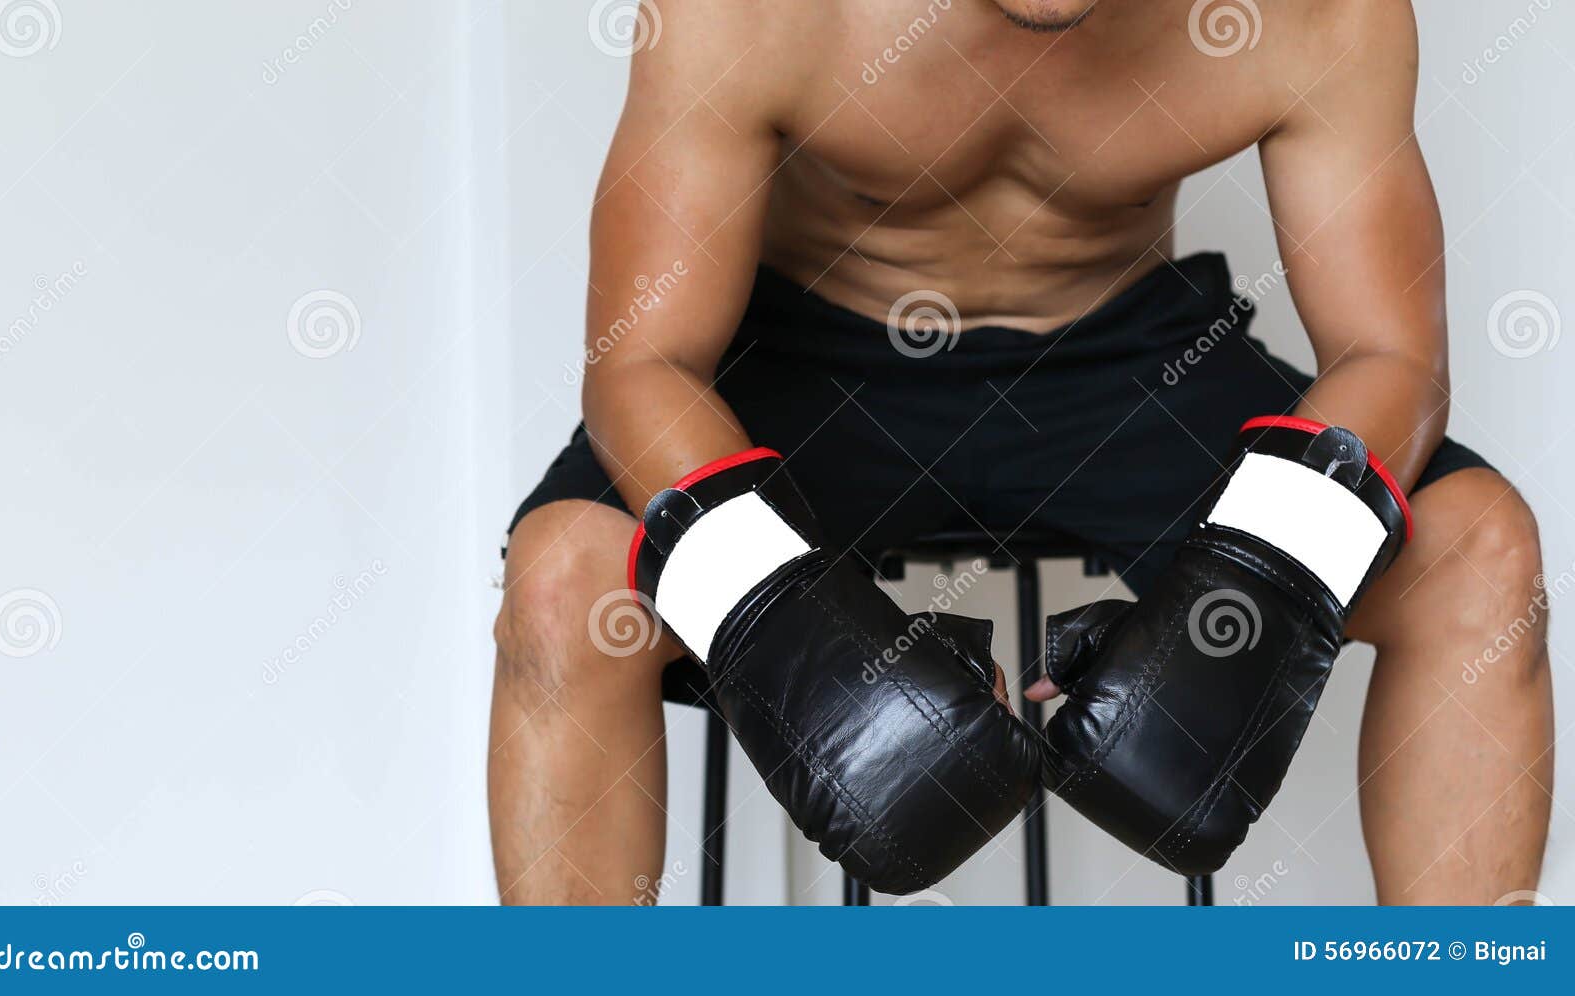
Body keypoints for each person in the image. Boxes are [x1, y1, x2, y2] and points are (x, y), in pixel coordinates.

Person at [489, 0, 1553, 904]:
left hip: (1135, 365)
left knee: (1476, 550)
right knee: (565, 578)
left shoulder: (1312, 11)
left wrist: (1260, 586)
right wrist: (785, 625)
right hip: (810, 371)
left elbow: (1388, 354)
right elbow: (643, 364)